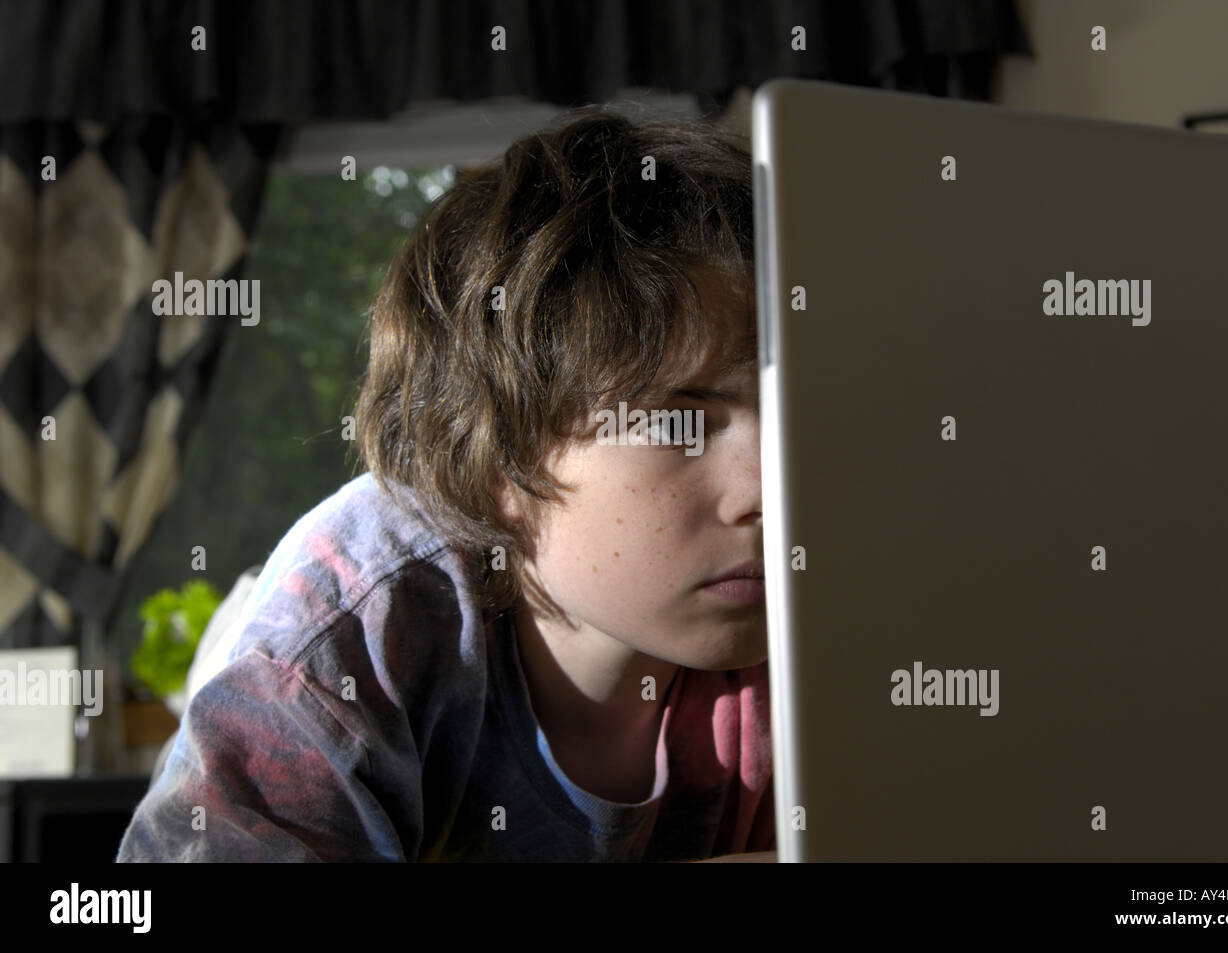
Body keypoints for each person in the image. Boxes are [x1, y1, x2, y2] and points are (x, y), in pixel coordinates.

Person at [116, 105, 775, 862]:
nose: (776, 488)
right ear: (498, 458)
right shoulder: (355, 627)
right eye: (677, 423)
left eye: (804, 415)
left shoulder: (808, 619)